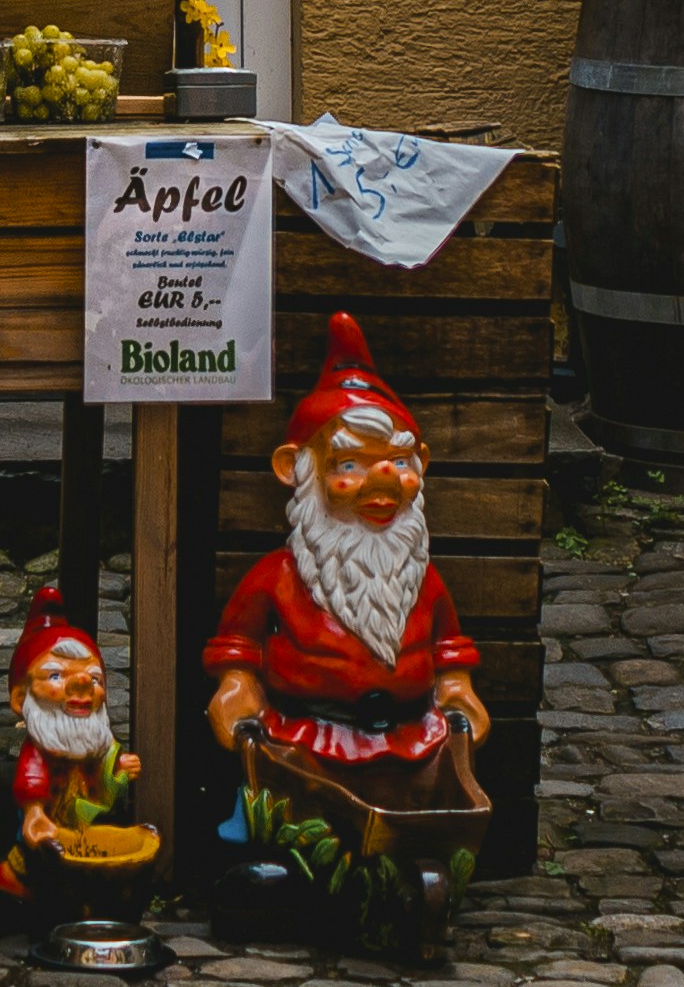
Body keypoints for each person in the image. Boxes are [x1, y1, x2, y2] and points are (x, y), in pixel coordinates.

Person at [201, 308, 487, 772]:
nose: (384, 483)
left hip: (414, 743)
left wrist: (456, 688)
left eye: (398, 462)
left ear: (421, 465)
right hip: (305, 741)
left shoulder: (417, 576)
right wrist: (237, 685)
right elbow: (236, 645)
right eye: (350, 466)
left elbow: (448, 648)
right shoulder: (279, 577)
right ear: (296, 468)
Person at [0, 585, 136, 899]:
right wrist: (33, 813)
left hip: (80, 827)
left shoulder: (92, 746)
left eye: (94, 679)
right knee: (43, 869)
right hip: (47, 825)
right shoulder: (41, 749)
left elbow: (105, 774)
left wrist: (118, 768)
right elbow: (30, 783)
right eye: (56, 676)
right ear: (20, 698)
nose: (82, 685)